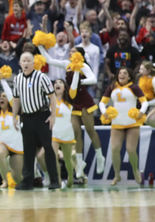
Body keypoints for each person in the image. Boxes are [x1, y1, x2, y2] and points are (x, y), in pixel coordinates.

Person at [37, 44, 103, 182]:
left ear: (79, 55)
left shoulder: (83, 66)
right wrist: (40, 46)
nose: (70, 53)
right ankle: (79, 163)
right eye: (70, 51)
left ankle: (100, 156)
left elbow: (94, 79)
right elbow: (49, 60)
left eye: (73, 52)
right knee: (76, 133)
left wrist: (81, 80)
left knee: (90, 130)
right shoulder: (67, 64)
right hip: (73, 102)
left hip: (84, 101)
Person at [11, 52, 60, 190]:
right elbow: (16, 99)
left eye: (28, 61)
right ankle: (27, 181)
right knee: (28, 150)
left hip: (42, 116)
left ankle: (54, 180)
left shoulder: (42, 77)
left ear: (33, 63)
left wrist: (53, 116)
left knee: (48, 148)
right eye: (23, 61)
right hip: (26, 117)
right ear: (20, 63)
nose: (26, 63)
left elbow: (52, 97)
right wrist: (14, 116)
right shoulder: (17, 79)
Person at [99, 67, 148, 185]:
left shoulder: (134, 87)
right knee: (115, 149)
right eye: (120, 73)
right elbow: (102, 102)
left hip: (132, 123)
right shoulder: (112, 87)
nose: (122, 75)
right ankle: (117, 175)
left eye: (125, 73)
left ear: (129, 76)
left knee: (131, 149)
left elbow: (144, 102)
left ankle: (135, 170)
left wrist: (141, 111)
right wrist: (104, 112)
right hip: (117, 123)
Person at [37, 77, 78, 188]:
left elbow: (74, 84)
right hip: (54, 133)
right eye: (55, 83)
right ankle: (58, 181)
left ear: (64, 87)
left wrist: (76, 72)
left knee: (67, 159)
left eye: (60, 83)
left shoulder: (69, 99)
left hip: (67, 133)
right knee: (53, 156)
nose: (57, 84)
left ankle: (70, 176)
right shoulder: (48, 100)